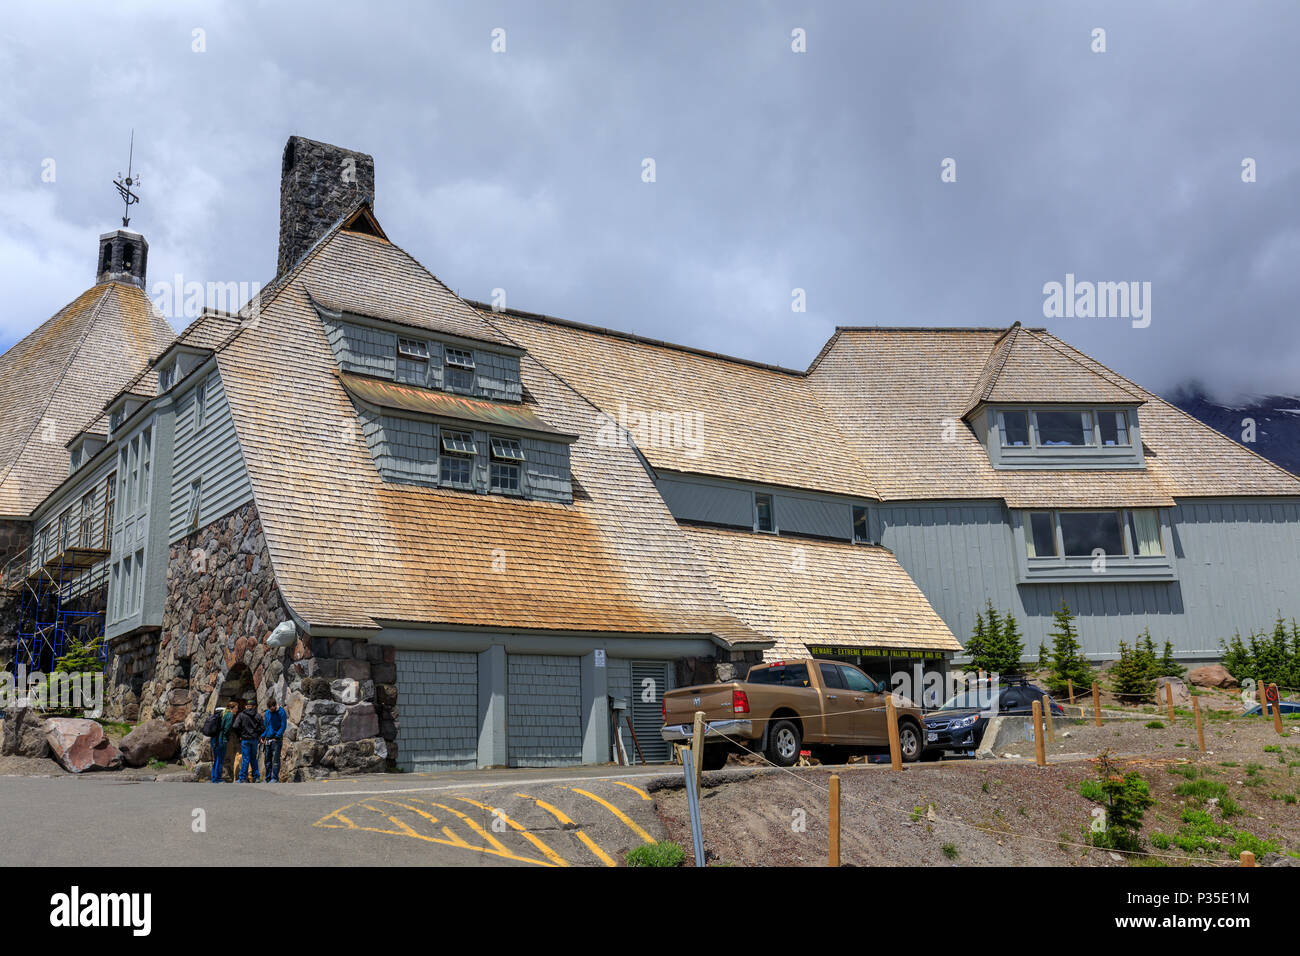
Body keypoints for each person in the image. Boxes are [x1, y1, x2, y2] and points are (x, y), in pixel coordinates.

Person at [232, 696, 264, 782]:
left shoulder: (241, 715)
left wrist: (240, 735)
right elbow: (262, 728)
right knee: (253, 758)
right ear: (254, 706)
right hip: (254, 739)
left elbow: (235, 726)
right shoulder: (258, 716)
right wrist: (257, 734)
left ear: (246, 706)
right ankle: (256, 777)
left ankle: (242, 778)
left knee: (245, 759)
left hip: (245, 739)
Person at [262, 695, 287, 783]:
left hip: (276, 740)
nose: (270, 710)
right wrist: (263, 736)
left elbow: (283, 725)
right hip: (268, 739)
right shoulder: (268, 713)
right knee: (267, 760)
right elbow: (267, 726)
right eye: (269, 708)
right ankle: (267, 778)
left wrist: (277, 735)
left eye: (271, 708)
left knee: (275, 760)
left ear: (275, 705)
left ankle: (275, 778)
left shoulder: (281, 712)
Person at [207, 702, 234, 783]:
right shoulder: (229, 714)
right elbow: (227, 728)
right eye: (236, 708)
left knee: (216, 760)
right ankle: (217, 778)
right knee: (220, 759)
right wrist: (227, 736)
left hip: (214, 739)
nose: (237, 709)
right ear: (231, 708)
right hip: (222, 740)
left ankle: (214, 778)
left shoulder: (218, 715)